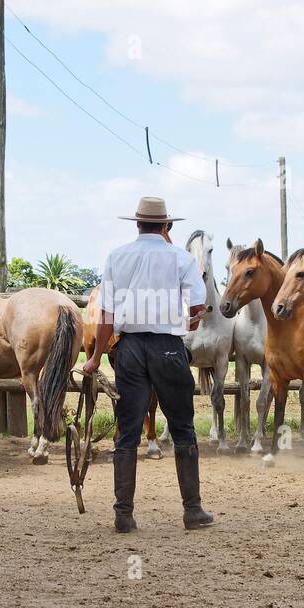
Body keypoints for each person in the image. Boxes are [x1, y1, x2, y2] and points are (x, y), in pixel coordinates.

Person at [82, 197, 214, 533]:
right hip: (167, 347)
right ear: (165, 225)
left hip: (128, 349)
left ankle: (123, 515)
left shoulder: (117, 257)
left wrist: (96, 357)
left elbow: (106, 315)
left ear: (137, 224)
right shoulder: (180, 258)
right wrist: (191, 318)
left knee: (127, 430)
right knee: (182, 426)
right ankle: (192, 511)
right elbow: (198, 306)